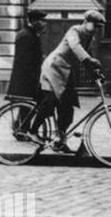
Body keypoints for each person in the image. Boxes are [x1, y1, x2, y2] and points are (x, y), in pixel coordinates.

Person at [32, 9, 105, 152]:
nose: (96, 30)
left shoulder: (90, 38)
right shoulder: (75, 31)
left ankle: (60, 140)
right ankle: (33, 131)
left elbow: (85, 58)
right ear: (86, 22)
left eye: (99, 27)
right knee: (51, 101)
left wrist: (96, 73)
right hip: (54, 67)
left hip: (66, 71)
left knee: (68, 106)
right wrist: (90, 59)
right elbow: (76, 47)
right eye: (95, 26)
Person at [6, 8, 48, 134]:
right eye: (42, 20)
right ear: (34, 21)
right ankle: (21, 130)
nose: (44, 23)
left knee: (30, 106)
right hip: (25, 80)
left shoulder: (30, 34)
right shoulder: (26, 36)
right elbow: (25, 61)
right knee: (29, 106)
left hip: (28, 78)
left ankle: (21, 127)